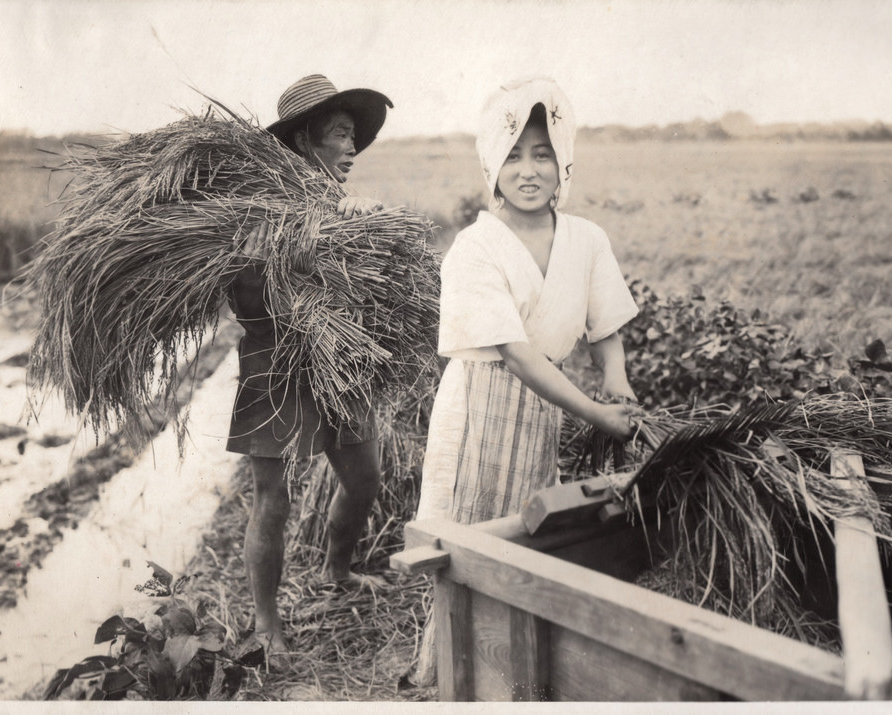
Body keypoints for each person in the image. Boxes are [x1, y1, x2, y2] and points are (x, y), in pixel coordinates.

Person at [411, 78, 641, 684]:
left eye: (542, 153)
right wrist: (595, 414)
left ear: (563, 161)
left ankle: (511, 670)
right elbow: (514, 354)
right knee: (465, 534)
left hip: (544, 407)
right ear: (491, 163)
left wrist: (615, 381)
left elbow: (606, 326)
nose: (529, 170)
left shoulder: (587, 239)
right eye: (513, 154)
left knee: (530, 527)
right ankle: (452, 675)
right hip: (479, 408)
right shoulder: (475, 248)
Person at [227, 74, 391, 655]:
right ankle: (268, 623)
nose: (352, 148)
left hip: (338, 359)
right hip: (275, 362)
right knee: (273, 497)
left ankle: (336, 571)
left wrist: (357, 233)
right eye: (341, 134)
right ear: (303, 141)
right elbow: (244, 296)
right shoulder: (259, 208)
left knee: (365, 477)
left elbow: (362, 287)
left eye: (353, 136)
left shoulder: (342, 206)